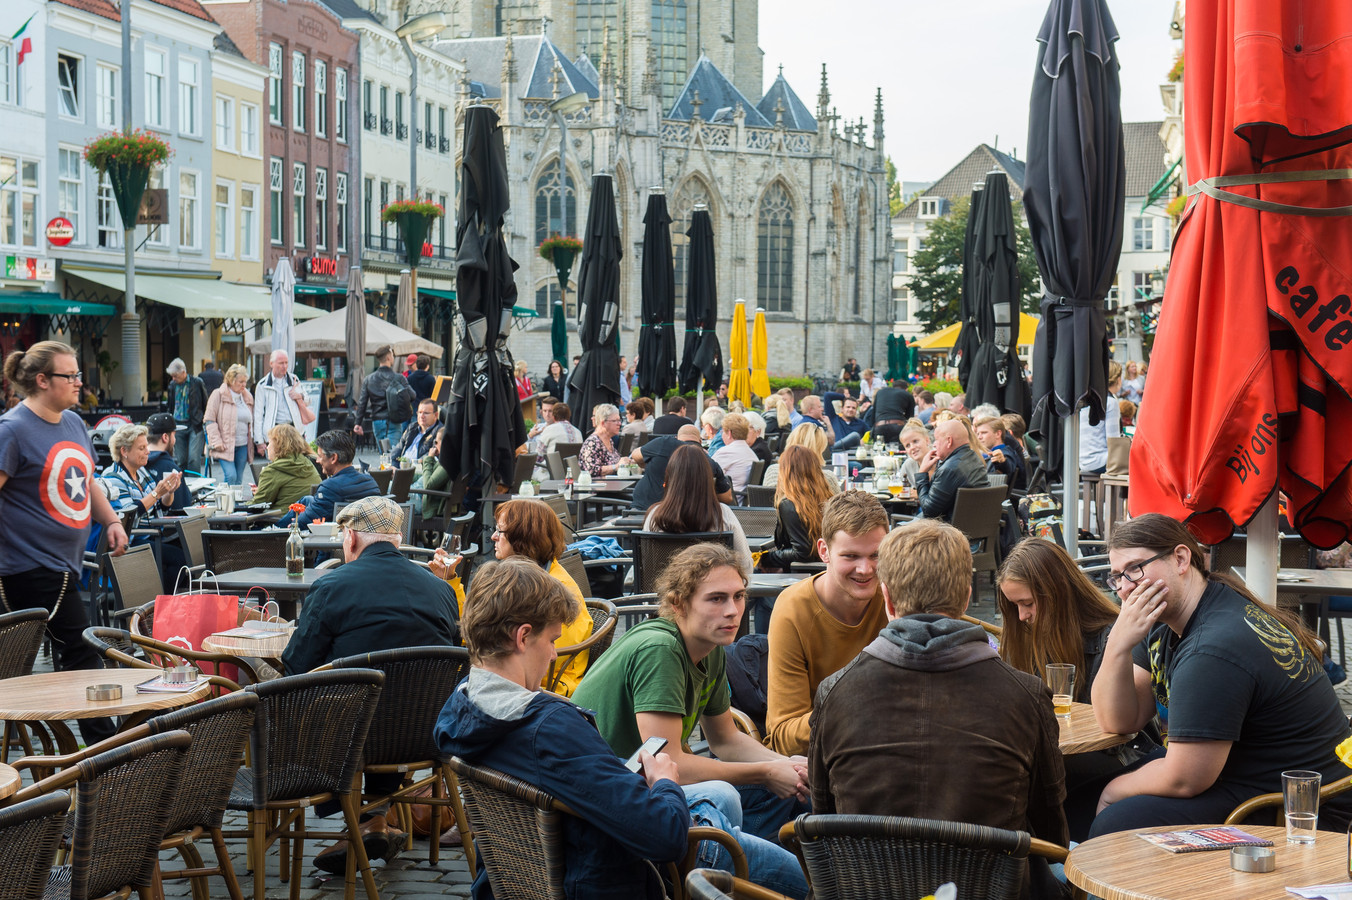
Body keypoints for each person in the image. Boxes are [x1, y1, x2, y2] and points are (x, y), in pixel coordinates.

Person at [809, 520, 1069, 865]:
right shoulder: (1026, 695)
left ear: (886, 598)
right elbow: (1053, 836)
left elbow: (823, 823)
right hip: (991, 890)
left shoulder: (834, 692)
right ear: (967, 597)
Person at [434, 557, 692, 900]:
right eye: (553, 639)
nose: (555, 654)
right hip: (595, 881)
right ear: (523, 637)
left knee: (718, 796)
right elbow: (666, 837)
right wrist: (665, 783)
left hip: (516, 884)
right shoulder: (549, 728)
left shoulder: (461, 705)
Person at [1088, 514, 1352, 838]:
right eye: (1117, 576)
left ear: (1181, 559)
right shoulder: (1170, 616)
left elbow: (1185, 778)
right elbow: (1119, 721)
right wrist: (1117, 645)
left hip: (1302, 813)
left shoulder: (1213, 647)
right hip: (1244, 778)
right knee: (1083, 795)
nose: (1125, 588)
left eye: (1135, 569)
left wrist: (1113, 791)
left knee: (1115, 823)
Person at [571, 543, 811, 899]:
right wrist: (764, 772)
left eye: (739, 596)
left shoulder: (711, 648)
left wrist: (788, 765)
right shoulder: (661, 650)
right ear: (679, 603)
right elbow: (672, 762)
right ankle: (714, 873)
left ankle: (731, 875)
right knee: (798, 876)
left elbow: (725, 740)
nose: (733, 611)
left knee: (786, 787)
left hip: (651, 788)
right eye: (716, 599)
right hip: (610, 808)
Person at [282, 496, 459, 874]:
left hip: (346, 737)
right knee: (388, 703)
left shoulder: (332, 586)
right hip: (426, 734)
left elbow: (297, 666)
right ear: (397, 540)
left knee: (309, 704)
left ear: (350, 539)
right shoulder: (441, 590)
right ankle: (374, 817)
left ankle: (363, 818)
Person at [0, 342, 129, 745]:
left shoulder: (73, 423)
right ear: (42, 380)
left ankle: (79, 744)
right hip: (26, 567)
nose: (79, 382)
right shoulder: (12, 430)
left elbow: (87, 481)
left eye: (77, 373)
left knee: (61, 655)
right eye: (69, 375)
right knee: (79, 650)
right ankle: (102, 749)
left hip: (63, 564)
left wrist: (110, 520)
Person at [997, 537, 1129, 838]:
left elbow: (1115, 731)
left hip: (1110, 760)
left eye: (1027, 603)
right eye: (1014, 605)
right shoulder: (1027, 634)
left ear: (1055, 593)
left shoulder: (1111, 636)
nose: (1021, 616)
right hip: (1057, 759)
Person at [766, 492, 889, 756]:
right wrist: (862, 711)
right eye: (851, 556)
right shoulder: (793, 609)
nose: (865, 569)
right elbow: (784, 736)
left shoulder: (897, 597)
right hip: (821, 761)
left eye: (875, 555)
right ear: (824, 551)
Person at [433, 498, 595, 696]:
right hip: (514, 683)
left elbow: (542, 661)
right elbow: (477, 625)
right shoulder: (525, 578)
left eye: (500, 531)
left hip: (542, 692)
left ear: (523, 538)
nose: (492, 537)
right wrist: (450, 580)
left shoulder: (553, 591)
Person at [643, 444, 753, 572]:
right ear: (708, 479)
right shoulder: (722, 514)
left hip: (668, 590)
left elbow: (646, 565)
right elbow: (746, 565)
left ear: (670, 478)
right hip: (712, 589)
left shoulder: (655, 516)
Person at [277, 430, 381, 528]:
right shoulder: (370, 482)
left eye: (320, 456)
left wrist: (291, 525)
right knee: (306, 500)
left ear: (333, 458)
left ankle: (272, 529)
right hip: (363, 537)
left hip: (331, 542)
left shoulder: (330, 487)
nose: (317, 460)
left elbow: (304, 522)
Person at [761, 446, 838, 575]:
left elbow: (802, 552)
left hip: (799, 576)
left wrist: (767, 558)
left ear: (786, 471)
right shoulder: (828, 498)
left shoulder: (789, 504)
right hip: (827, 571)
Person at [101, 424, 183, 541]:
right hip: (133, 541)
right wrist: (157, 493)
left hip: (154, 534)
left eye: (146, 446)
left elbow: (160, 508)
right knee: (180, 554)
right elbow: (128, 516)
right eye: (141, 448)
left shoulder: (141, 471)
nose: (148, 452)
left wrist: (169, 491)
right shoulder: (113, 476)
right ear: (124, 451)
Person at [631, 424, 733, 511]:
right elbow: (727, 497)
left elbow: (635, 455)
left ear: (677, 437)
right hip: (686, 519)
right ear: (700, 442)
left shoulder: (663, 443)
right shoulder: (709, 462)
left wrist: (647, 464)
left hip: (643, 511)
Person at [915, 418, 989, 521]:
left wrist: (922, 473)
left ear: (949, 441)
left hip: (949, 532)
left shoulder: (950, 469)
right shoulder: (974, 457)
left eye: (936, 439)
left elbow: (929, 512)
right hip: (977, 526)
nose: (934, 444)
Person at [252, 350, 313, 457]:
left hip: (295, 429)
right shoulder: (262, 385)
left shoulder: (294, 379)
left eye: (286, 363)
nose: (284, 366)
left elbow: (308, 401)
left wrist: (299, 396)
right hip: (275, 431)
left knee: (298, 461)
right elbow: (258, 415)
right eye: (281, 363)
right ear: (271, 364)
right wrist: (259, 441)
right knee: (278, 464)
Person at [203, 364, 255, 485]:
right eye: (241, 381)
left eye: (245, 381)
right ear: (231, 380)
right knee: (231, 476)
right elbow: (209, 420)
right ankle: (225, 502)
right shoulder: (218, 394)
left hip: (242, 444)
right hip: (224, 444)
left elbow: (251, 422)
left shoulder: (247, 397)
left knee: (238, 479)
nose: (244, 385)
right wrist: (216, 441)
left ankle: (234, 502)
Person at [251, 424, 322, 512]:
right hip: (308, 518)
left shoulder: (272, 471)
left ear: (278, 446)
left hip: (281, 520)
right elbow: (291, 490)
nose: (267, 447)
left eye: (269, 443)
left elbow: (257, 505)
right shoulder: (308, 463)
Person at [354, 345, 415, 445]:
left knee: (383, 454)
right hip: (393, 419)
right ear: (388, 358)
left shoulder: (368, 379)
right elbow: (412, 396)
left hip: (377, 420)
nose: (393, 358)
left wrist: (358, 423)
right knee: (393, 454)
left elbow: (362, 403)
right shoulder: (399, 378)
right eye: (392, 355)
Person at [165, 358, 207, 474]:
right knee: (180, 459)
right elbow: (170, 404)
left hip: (195, 424)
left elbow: (205, 402)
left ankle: (194, 487)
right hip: (177, 425)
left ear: (183, 372)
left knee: (193, 458)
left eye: (175, 376)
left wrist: (203, 419)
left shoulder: (197, 382)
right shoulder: (172, 385)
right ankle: (181, 486)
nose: (173, 378)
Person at [763, 423, 835, 490]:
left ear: (790, 441)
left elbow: (765, 502)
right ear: (819, 450)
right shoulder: (827, 478)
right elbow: (838, 503)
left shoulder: (773, 472)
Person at [1080, 361, 1122, 475]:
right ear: (1118, 379)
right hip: (1100, 461)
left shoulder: (1088, 399)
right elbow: (1113, 441)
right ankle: (1119, 493)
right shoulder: (1111, 402)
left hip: (1082, 460)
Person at [144, 413, 192, 511]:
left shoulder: (136, 464)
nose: (175, 440)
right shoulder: (172, 469)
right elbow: (183, 508)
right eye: (174, 435)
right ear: (165, 437)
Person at [973, 414, 1028, 492]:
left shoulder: (1006, 453)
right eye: (978, 434)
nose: (979, 437)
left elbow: (1008, 467)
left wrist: (1002, 462)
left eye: (984, 433)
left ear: (998, 434)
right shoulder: (989, 453)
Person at [710, 413, 758, 497]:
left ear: (729, 433)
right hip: (742, 501)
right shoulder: (751, 453)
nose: (722, 435)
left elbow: (706, 473)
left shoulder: (725, 452)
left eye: (722, 431)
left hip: (729, 502)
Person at [579, 403, 624, 477]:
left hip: (612, 484)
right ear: (603, 423)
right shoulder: (593, 442)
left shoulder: (609, 440)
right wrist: (616, 466)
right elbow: (590, 470)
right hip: (599, 486)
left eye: (619, 420)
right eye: (615, 421)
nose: (619, 424)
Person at [392, 398, 442, 463]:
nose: (421, 416)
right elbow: (398, 449)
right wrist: (394, 466)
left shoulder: (439, 432)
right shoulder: (412, 427)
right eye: (420, 412)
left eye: (426, 413)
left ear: (435, 415)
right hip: (401, 468)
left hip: (418, 470)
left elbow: (430, 457)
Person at [897, 419, 931, 485]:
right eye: (907, 445)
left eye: (915, 441)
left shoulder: (939, 462)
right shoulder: (908, 465)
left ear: (927, 440)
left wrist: (917, 493)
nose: (912, 447)